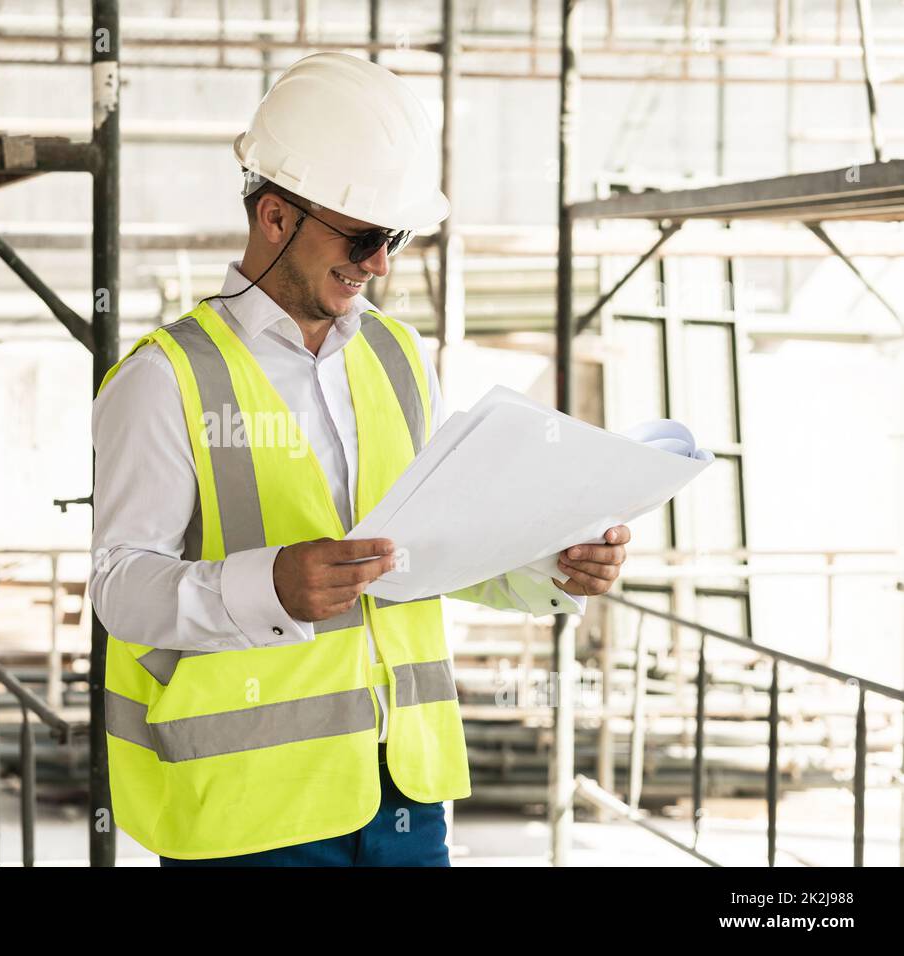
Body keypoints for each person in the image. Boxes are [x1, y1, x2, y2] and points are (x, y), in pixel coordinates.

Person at [89, 51, 630, 867]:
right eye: (365, 236)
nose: (380, 264)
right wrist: (266, 586)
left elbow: (433, 551)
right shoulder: (164, 380)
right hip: (247, 813)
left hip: (403, 795)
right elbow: (120, 585)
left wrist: (551, 567)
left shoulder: (399, 357)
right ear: (275, 218)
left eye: (394, 238)